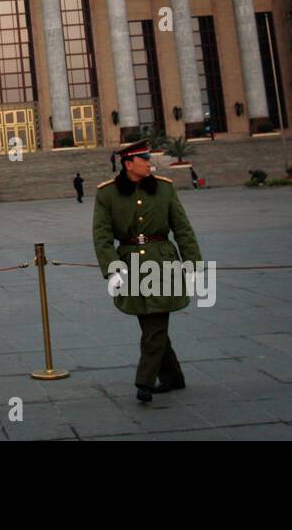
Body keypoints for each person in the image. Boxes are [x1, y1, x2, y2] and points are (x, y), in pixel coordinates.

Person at [93, 140, 203, 404]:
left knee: (154, 324)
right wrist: (112, 268)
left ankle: (143, 381)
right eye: (144, 159)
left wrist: (193, 263)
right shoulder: (108, 194)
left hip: (162, 263)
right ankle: (173, 376)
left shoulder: (164, 189)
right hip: (131, 264)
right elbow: (102, 235)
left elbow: (183, 228)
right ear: (128, 164)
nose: (149, 163)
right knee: (150, 321)